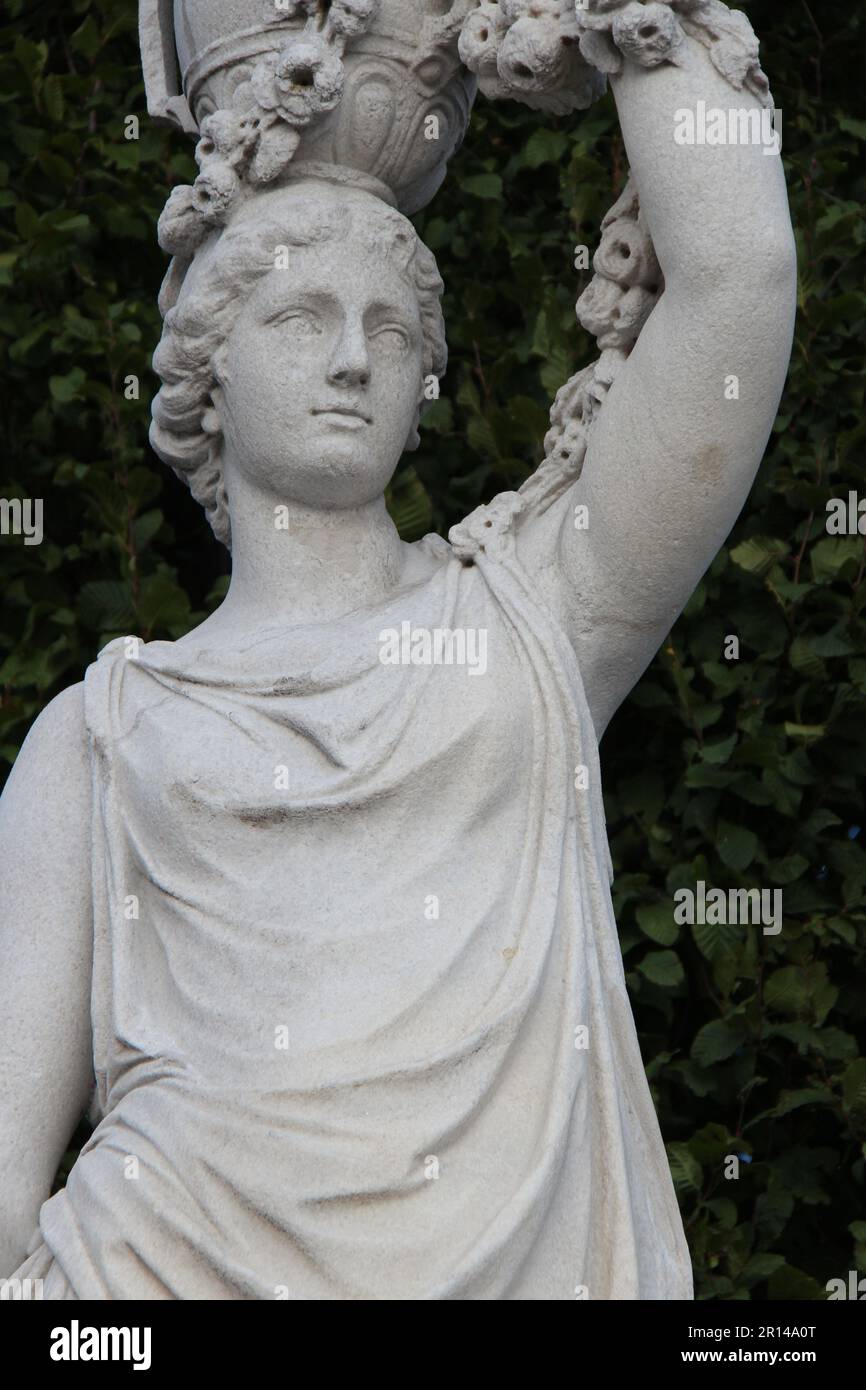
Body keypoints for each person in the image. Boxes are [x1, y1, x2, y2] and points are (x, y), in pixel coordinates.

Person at [0, 18, 795, 1300]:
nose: (355, 356)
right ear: (208, 367)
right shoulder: (100, 734)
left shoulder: (536, 612)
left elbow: (739, 280)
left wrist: (624, 19)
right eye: (302, 316)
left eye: (388, 325)